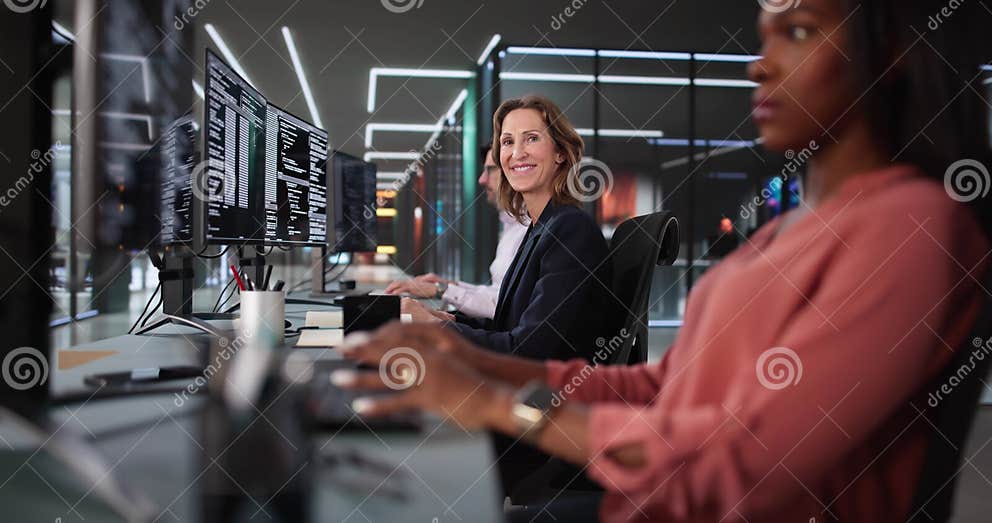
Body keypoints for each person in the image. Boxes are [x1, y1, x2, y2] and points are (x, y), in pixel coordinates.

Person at [330, 1, 992, 521]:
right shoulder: (783, 237)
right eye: (763, 37)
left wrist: (499, 404)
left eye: (798, 32)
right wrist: (472, 362)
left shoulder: (913, 227)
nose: (758, 65)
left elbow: (746, 463)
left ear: (894, 50)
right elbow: (661, 386)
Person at [402, 95, 613, 363]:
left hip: (548, 396)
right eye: (508, 142)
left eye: (532, 138)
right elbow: (507, 326)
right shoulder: (540, 228)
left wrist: (440, 329)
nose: (517, 153)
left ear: (560, 152)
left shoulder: (571, 230)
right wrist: (445, 318)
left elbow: (529, 351)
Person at [383, 146, 528, 320]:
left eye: (490, 170)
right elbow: (498, 293)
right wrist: (449, 285)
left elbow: (504, 307)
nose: (482, 179)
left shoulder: (529, 228)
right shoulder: (511, 224)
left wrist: (441, 290)